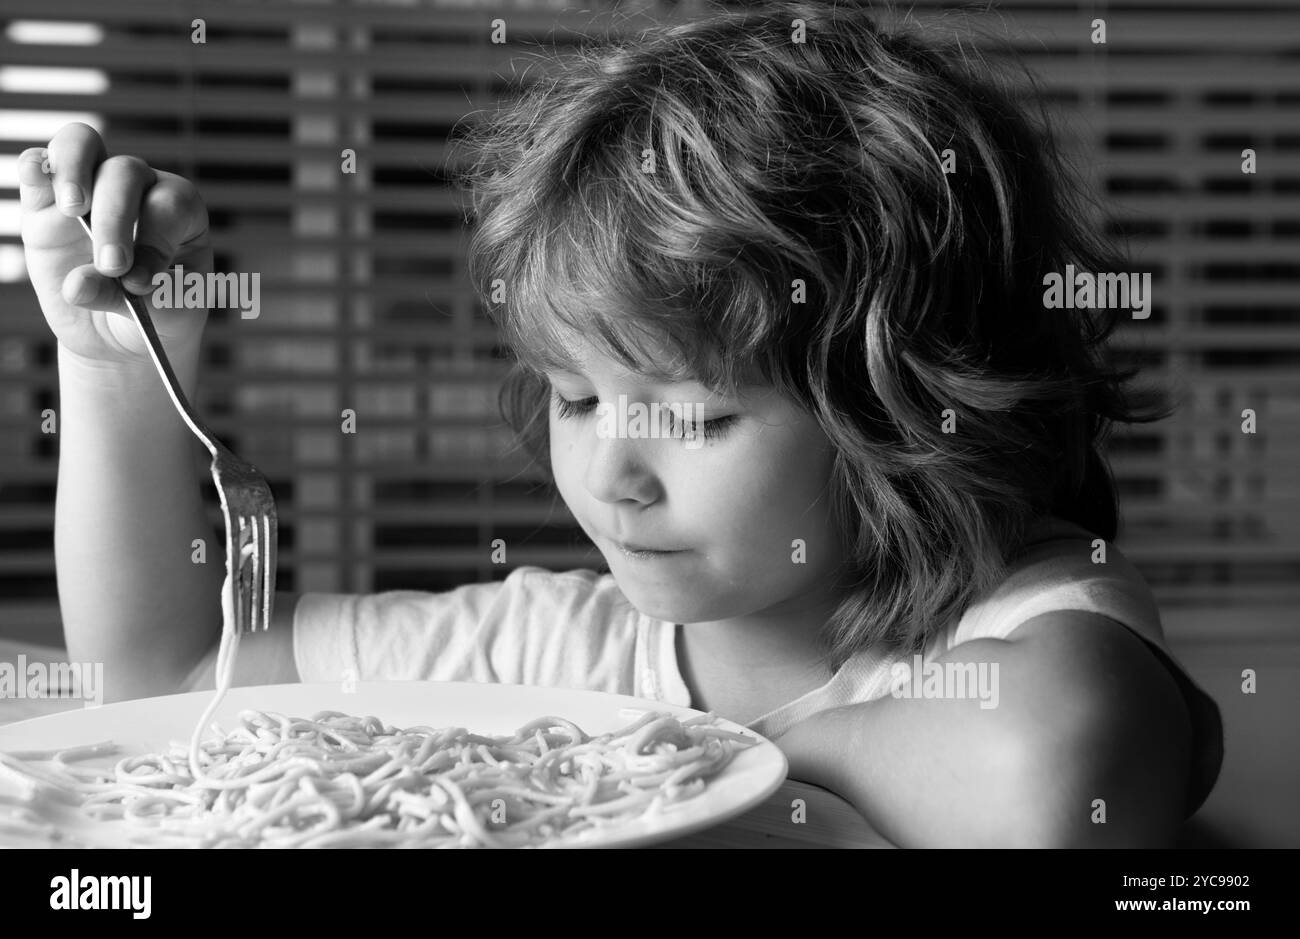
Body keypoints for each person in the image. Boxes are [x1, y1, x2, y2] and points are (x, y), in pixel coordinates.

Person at [19, 0, 1222, 847]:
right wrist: (118, 362)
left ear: (903, 412)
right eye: (577, 397)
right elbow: (158, 679)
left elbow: (1061, 774)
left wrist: (659, 766)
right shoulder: (546, 657)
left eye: (694, 417)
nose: (612, 474)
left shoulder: (1019, 619)